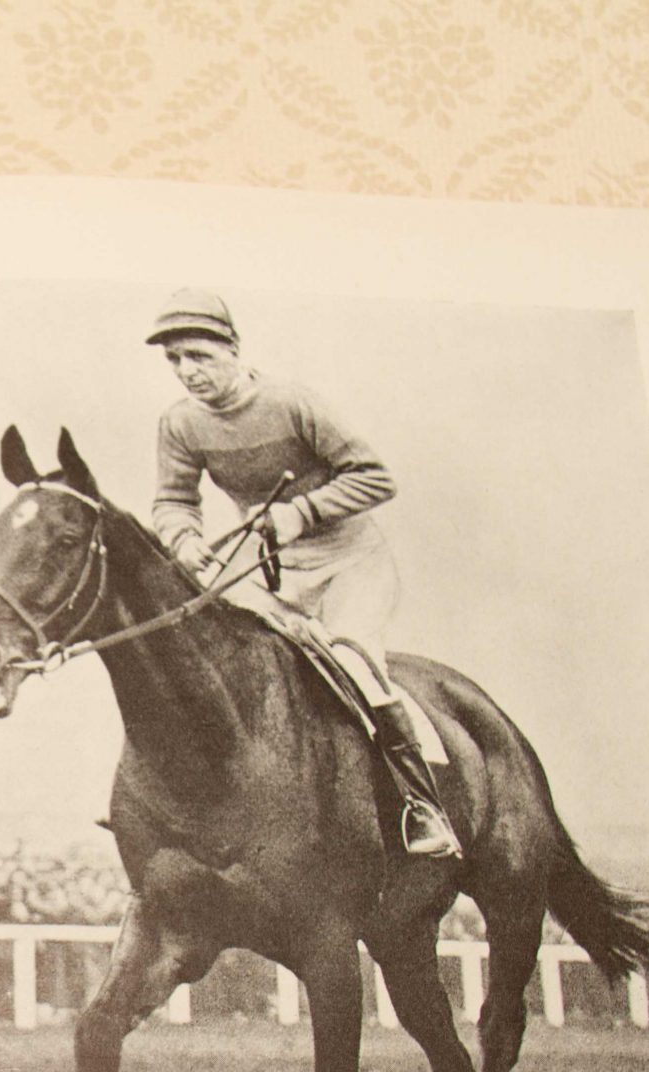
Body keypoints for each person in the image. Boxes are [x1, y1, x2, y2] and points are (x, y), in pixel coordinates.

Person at [144, 287, 462, 859]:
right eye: (175, 360)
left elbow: (376, 477)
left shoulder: (293, 403)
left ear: (233, 349)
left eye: (199, 356)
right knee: (227, 664)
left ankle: (423, 807)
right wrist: (184, 540)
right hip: (277, 576)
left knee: (351, 662)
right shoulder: (181, 425)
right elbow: (172, 501)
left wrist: (302, 511)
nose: (187, 372)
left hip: (351, 565)